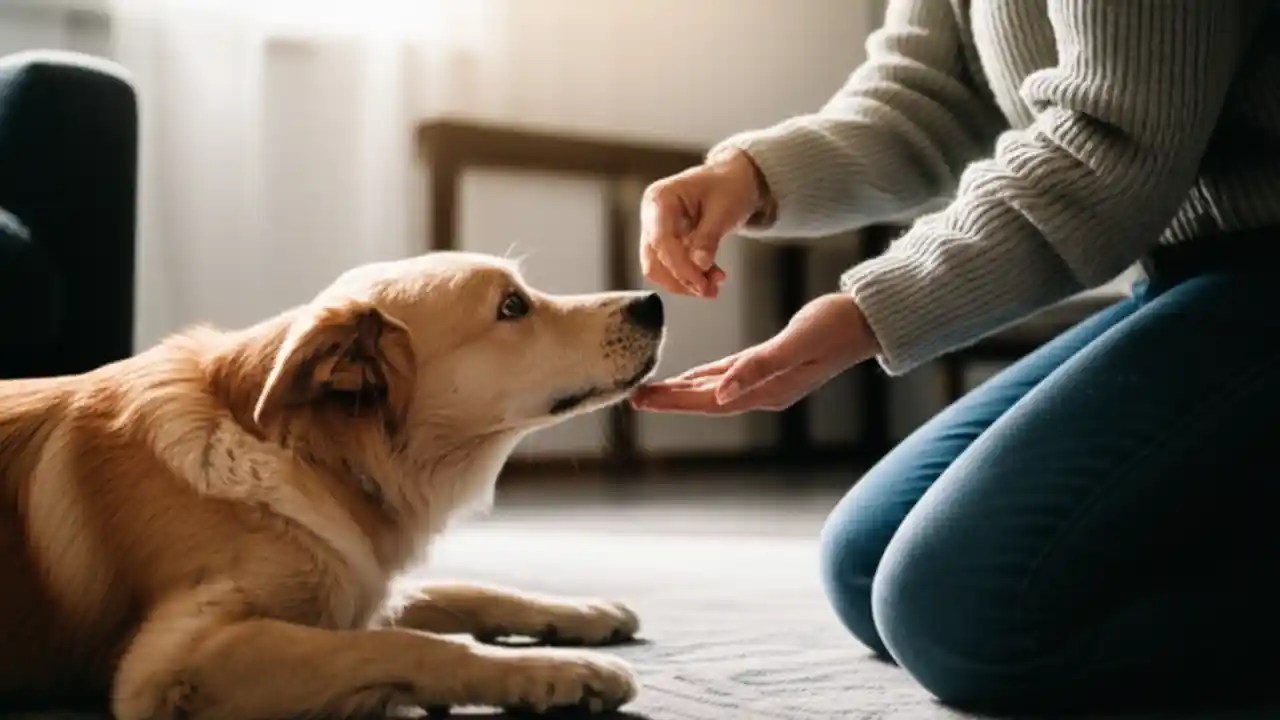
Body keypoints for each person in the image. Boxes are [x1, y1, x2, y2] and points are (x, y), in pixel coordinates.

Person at [630, 0, 1280, 713]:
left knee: (964, 615)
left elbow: (1111, 147)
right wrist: (747, 175)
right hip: (1187, 276)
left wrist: (864, 314)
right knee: (863, 564)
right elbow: (925, 96)